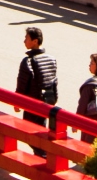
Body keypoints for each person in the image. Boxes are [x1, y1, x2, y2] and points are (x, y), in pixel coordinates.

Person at [15, 27, 59, 155]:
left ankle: (42, 155)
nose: (24, 41)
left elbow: (22, 84)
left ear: (35, 41)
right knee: (40, 130)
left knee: (30, 131)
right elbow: (54, 81)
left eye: (26, 38)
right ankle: (42, 154)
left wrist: (17, 102)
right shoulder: (51, 59)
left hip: (32, 102)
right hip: (47, 100)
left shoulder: (27, 61)